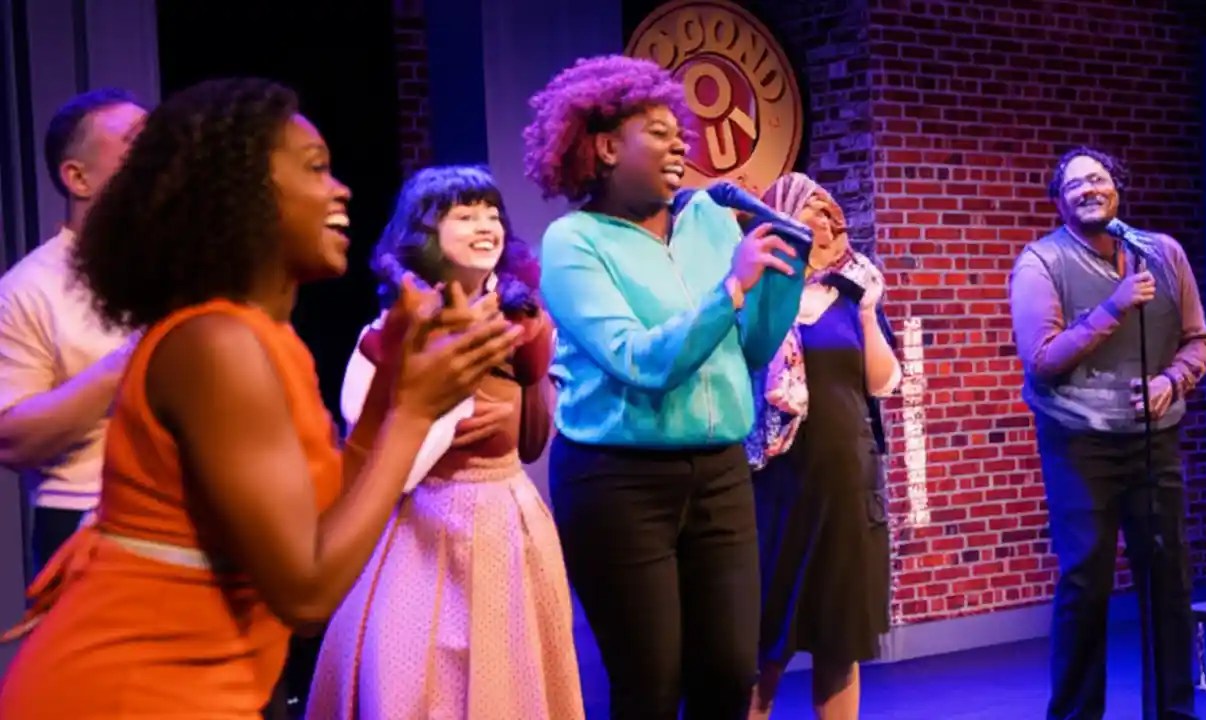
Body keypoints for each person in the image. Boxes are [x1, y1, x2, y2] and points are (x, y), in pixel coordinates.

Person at [0, 77, 523, 718]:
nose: (341, 189)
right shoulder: (218, 344)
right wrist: (415, 414)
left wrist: (391, 391)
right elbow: (305, 598)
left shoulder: (259, 338)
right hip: (129, 690)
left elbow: (321, 522)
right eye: (315, 170)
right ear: (239, 197)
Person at [524, 54, 806, 719]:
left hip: (719, 475)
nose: (681, 141)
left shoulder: (709, 219)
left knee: (729, 672)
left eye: (678, 130)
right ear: (601, 146)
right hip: (618, 482)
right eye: (657, 129)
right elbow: (639, 360)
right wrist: (730, 286)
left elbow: (753, 348)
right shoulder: (574, 242)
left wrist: (782, 272)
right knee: (650, 682)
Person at [306, 165, 583, 720]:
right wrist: (442, 413)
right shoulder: (386, 337)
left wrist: (531, 378)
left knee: (511, 681)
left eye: (492, 214)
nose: (486, 225)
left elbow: (530, 447)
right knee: (418, 683)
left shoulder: (522, 324)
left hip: (507, 518)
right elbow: (378, 467)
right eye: (464, 214)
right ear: (425, 235)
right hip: (420, 529)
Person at [1009, 146, 1206, 720]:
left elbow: (1199, 338)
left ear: (1116, 189)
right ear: (1058, 201)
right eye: (1074, 185)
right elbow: (1042, 359)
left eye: (1097, 179)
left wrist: (1174, 379)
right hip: (1080, 446)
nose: (1087, 190)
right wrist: (1115, 307)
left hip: (1154, 441)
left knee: (1168, 582)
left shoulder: (1162, 253)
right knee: (1086, 583)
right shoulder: (1039, 263)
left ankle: (1173, 713)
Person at [745, 173, 901, 720]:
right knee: (763, 643)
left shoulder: (853, 292)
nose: (831, 220)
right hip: (776, 484)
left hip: (845, 481)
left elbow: (883, 382)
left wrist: (866, 311)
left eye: (834, 212)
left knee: (840, 640)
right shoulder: (759, 289)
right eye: (815, 209)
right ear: (783, 218)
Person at [0, 88, 147, 574]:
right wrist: (123, 364)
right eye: (138, 145)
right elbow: (12, 439)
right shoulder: (29, 288)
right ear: (78, 177)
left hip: (203, 520)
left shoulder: (191, 266)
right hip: (92, 528)